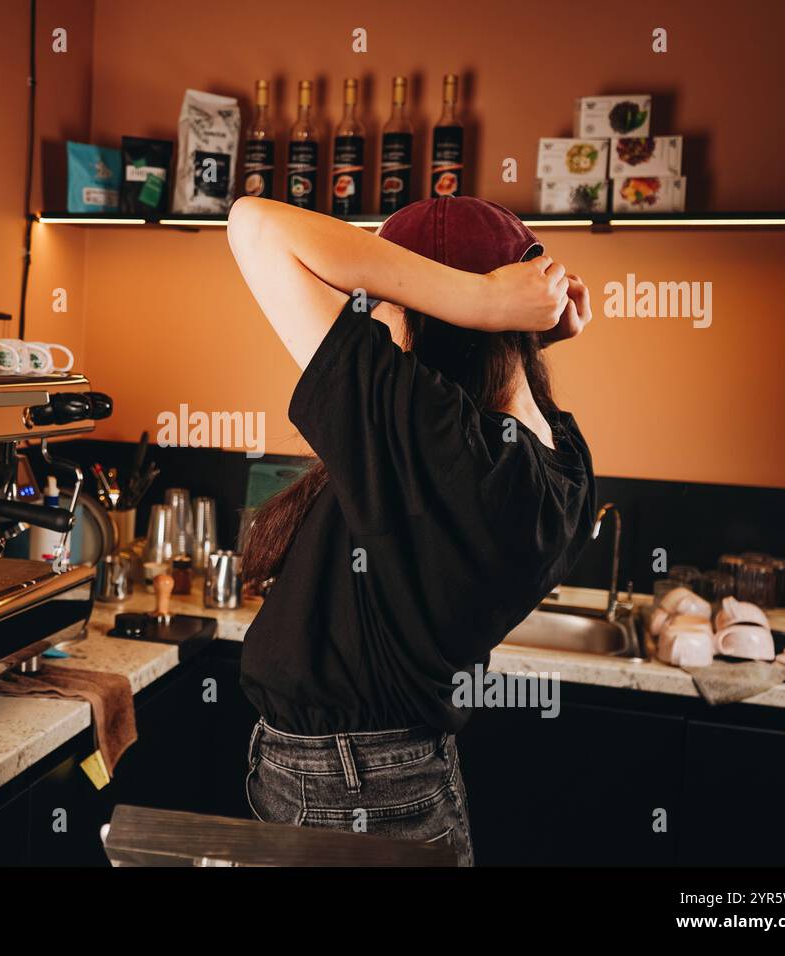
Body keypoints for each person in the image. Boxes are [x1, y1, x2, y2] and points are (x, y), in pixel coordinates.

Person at [225, 196, 597, 866]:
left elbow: (254, 225)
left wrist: (481, 301)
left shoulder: (435, 440)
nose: (373, 319)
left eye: (388, 301)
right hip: (389, 779)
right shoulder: (556, 460)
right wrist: (516, 325)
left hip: (346, 790)